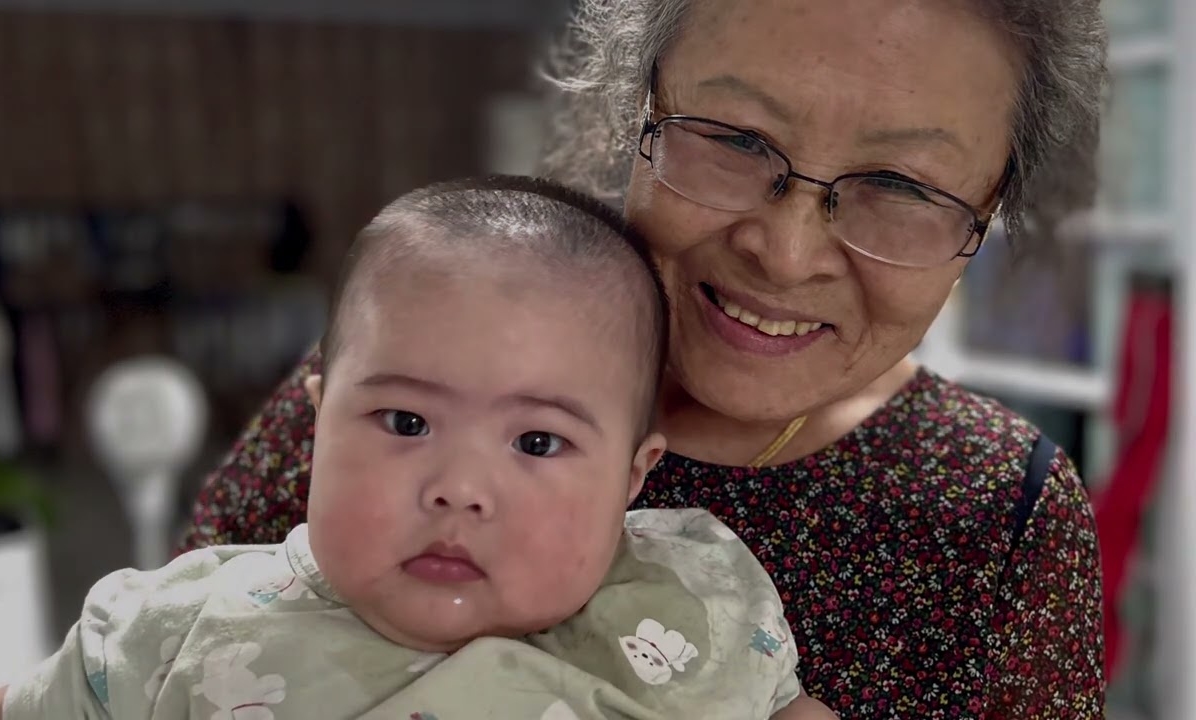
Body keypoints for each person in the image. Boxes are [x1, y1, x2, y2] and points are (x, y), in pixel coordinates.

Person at [181, 1, 1109, 716]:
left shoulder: (994, 512)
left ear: (987, 217)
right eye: (736, 141)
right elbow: (167, 661)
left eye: (900, 187)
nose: (784, 254)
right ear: (641, 109)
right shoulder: (406, 380)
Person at [0, 178, 836, 720]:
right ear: (319, 419)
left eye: (537, 440)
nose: (458, 490)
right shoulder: (180, 629)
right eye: (406, 423)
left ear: (632, 477)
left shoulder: (686, 611)